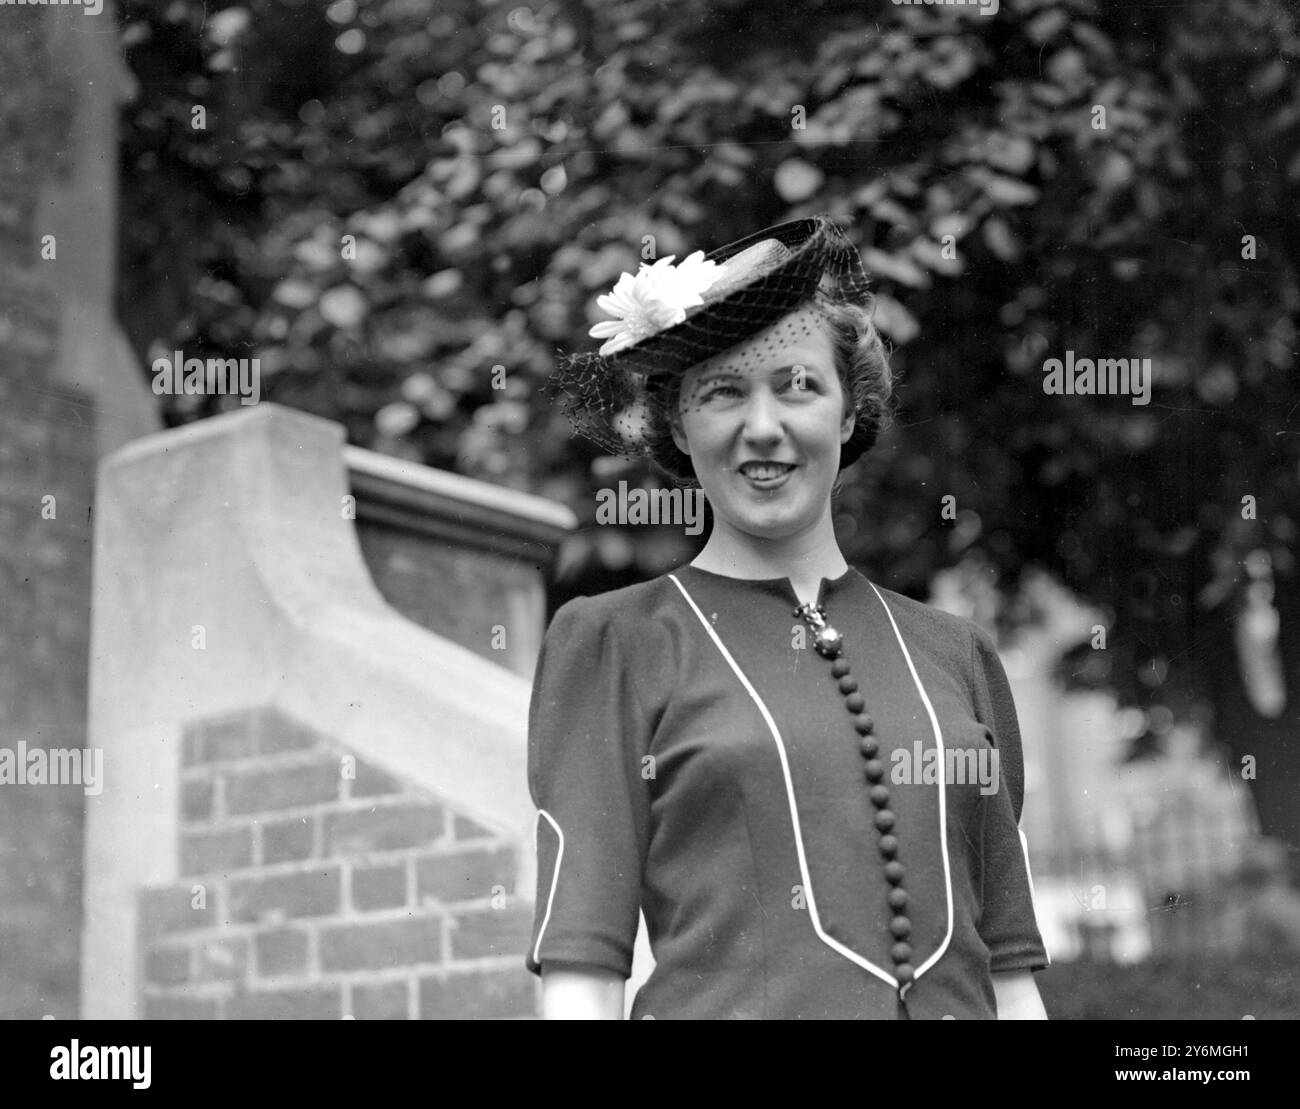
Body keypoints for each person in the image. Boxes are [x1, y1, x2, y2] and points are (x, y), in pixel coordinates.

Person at [526, 215, 1049, 1019]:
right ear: (677, 424)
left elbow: (1009, 971)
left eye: (798, 384)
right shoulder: (615, 643)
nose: (762, 427)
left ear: (846, 414)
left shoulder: (957, 652)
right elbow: (581, 972)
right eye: (723, 392)